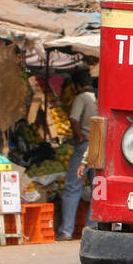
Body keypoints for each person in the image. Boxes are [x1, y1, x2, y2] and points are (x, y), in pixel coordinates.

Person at [57, 73, 98, 241]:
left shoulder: (81, 98)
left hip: (84, 146)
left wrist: (78, 135)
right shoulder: (98, 98)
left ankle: (66, 231)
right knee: (97, 188)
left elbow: (74, 118)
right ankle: (91, 226)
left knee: (72, 187)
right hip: (98, 146)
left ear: (78, 86)